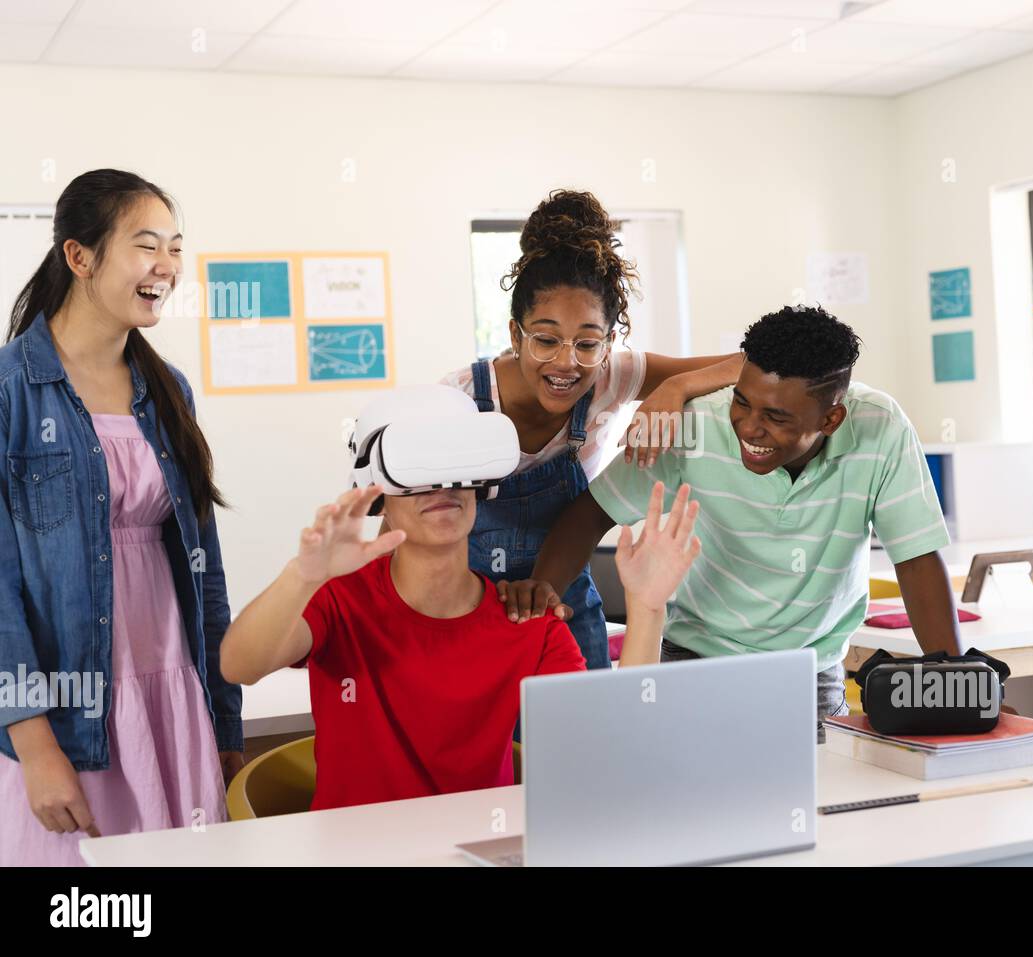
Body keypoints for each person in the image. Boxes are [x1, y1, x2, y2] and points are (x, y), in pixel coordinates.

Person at [219, 387, 700, 810]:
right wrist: (302, 575)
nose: (441, 488)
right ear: (378, 490)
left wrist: (647, 608)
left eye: (456, 469)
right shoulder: (341, 600)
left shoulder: (527, 621)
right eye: (416, 470)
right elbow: (240, 666)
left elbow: (614, 744)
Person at [503, 304, 962, 741]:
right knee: (691, 809)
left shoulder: (881, 428)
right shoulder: (697, 424)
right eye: (741, 402)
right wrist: (544, 586)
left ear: (832, 418)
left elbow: (917, 558)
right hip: (694, 663)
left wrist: (957, 687)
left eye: (776, 418)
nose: (748, 427)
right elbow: (590, 512)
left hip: (809, 673)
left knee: (823, 813)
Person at [0, 170, 240, 865]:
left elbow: (206, 569)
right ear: (80, 257)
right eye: (145, 246)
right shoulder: (12, 392)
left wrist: (224, 716)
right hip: (67, 714)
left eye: (175, 248)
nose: (166, 267)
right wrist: (33, 741)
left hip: (172, 696)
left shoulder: (169, 391)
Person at [440, 189, 742, 670]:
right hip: (468, 607)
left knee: (591, 734)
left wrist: (678, 386)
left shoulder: (614, 377)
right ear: (516, 334)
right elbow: (404, 524)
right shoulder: (457, 402)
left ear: (609, 342)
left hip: (566, 605)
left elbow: (755, 364)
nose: (566, 362)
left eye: (587, 342)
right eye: (545, 339)